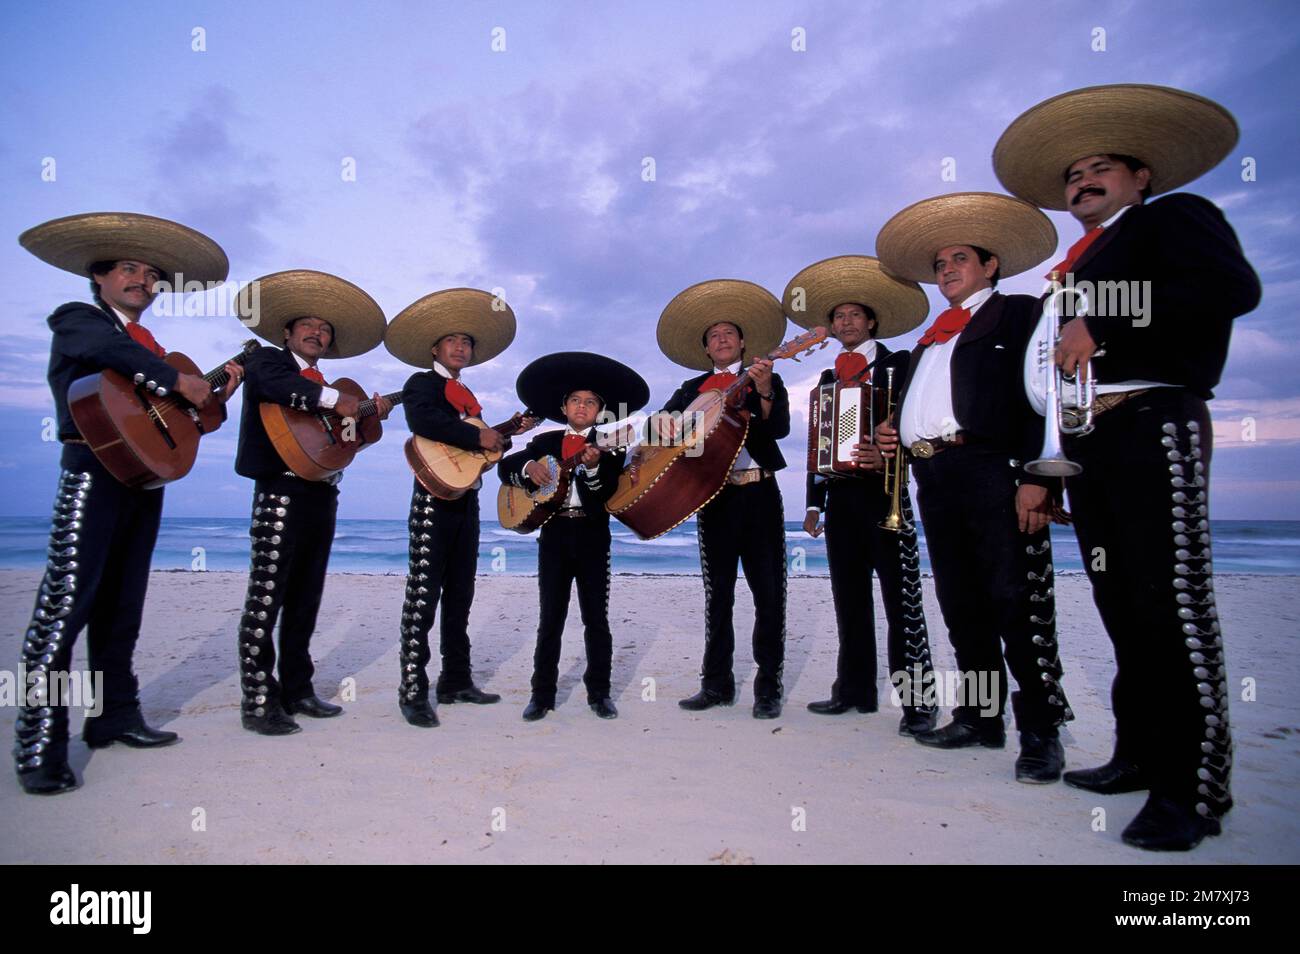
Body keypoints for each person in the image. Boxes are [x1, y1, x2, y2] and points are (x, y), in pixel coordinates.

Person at [994, 84, 1262, 849]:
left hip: (1153, 418)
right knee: (1122, 609)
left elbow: (1233, 288)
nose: (1082, 180)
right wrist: (1047, 468)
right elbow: (1052, 382)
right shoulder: (1079, 263)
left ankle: (1195, 790)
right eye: (1073, 173)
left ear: (1141, 176)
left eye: (1100, 167)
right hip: (1088, 440)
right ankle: (1139, 756)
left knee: (1170, 604)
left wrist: (1102, 315)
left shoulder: (1175, 218)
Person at [14, 212, 234, 794]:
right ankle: (40, 746)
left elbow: (181, 423)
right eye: (129, 269)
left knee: (122, 605)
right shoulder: (79, 320)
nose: (142, 279)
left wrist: (209, 397)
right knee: (66, 604)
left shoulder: (152, 350)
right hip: (91, 469)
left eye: (151, 273)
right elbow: (108, 352)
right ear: (100, 277)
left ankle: (113, 717)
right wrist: (175, 380)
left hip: (144, 478)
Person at [874, 192, 1073, 782]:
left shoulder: (1019, 314)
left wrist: (1040, 476)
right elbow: (922, 410)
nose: (947, 270)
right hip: (933, 478)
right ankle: (981, 719)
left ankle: (1041, 733)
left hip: (994, 469)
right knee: (962, 604)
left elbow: (1048, 397)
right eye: (939, 265)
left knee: (1019, 602)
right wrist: (895, 431)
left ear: (989, 266)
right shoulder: (928, 342)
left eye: (959, 258)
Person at [782, 256, 937, 734]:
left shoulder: (902, 363)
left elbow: (921, 423)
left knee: (902, 600)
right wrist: (813, 501)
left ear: (872, 321)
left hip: (886, 494)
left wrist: (892, 456)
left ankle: (918, 705)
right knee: (848, 598)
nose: (846, 323)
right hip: (842, 498)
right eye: (838, 317)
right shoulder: (827, 378)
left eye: (854, 315)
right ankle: (854, 691)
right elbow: (819, 443)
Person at [232, 270, 390, 735]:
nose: (317, 333)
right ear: (286, 333)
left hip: (323, 492)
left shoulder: (330, 387)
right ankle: (258, 700)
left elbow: (344, 445)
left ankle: (298, 689)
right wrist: (336, 399)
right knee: (266, 596)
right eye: (308, 326)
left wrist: (368, 419)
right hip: (279, 490)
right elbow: (279, 387)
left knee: (306, 597)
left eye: (325, 329)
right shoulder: (266, 362)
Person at [384, 288, 537, 728]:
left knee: (460, 595)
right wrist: (479, 437)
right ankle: (412, 690)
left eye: (466, 343)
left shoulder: (468, 396)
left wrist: (510, 432)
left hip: (465, 502)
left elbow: (480, 450)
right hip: (431, 502)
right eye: (452, 341)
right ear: (435, 348)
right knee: (422, 595)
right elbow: (423, 423)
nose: (460, 347)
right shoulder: (422, 384)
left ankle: (456, 680)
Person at [651, 280, 790, 719]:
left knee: (769, 595)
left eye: (729, 333)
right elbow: (658, 427)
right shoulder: (691, 387)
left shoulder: (766, 378)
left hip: (760, 492)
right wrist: (675, 428)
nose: (723, 339)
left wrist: (764, 392)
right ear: (706, 349)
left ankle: (767, 687)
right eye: (714, 336)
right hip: (714, 499)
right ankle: (717, 685)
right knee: (719, 596)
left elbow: (780, 428)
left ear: (744, 342)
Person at [498, 352, 648, 721]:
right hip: (553, 532)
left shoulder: (611, 445)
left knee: (596, 617)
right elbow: (505, 467)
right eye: (576, 400)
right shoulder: (545, 441)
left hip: (593, 533)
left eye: (591, 402)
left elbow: (603, 494)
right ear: (564, 407)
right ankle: (541, 695)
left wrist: (595, 467)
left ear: (600, 410)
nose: (582, 406)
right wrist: (527, 467)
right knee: (550, 617)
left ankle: (599, 693)